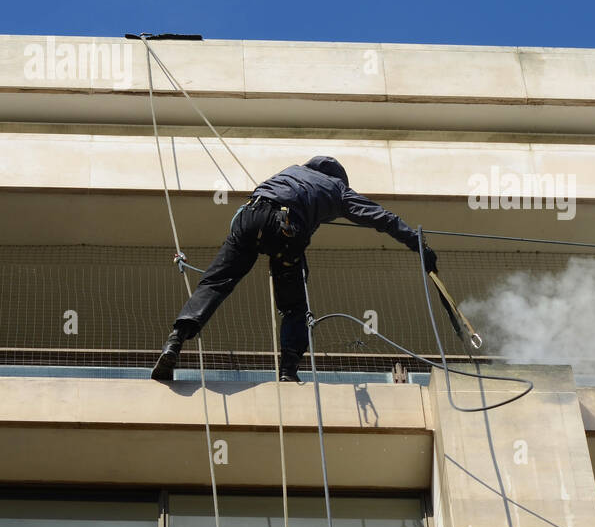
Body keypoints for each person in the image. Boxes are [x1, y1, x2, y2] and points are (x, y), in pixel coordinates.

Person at [151, 156, 437, 383]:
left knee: (214, 284)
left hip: (249, 218)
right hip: (285, 230)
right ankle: (288, 370)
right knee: (294, 306)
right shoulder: (338, 189)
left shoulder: (289, 172)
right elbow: (382, 218)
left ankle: (175, 341)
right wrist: (418, 244)